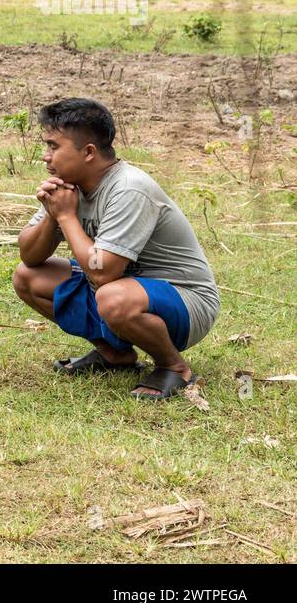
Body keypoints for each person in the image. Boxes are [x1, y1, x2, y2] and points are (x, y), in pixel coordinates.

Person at [11, 98, 220, 400]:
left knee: (112, 296)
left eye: (54, 146)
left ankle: (174, 367)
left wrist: (67, 217)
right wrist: (53, 215)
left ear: (89, 153)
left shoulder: (129, 188)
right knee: (27, 278)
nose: (45, 156)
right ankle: (114, 355)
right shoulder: (69, 186)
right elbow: (30, 256)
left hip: (185, 301)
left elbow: (103, 273)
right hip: (120, 290)